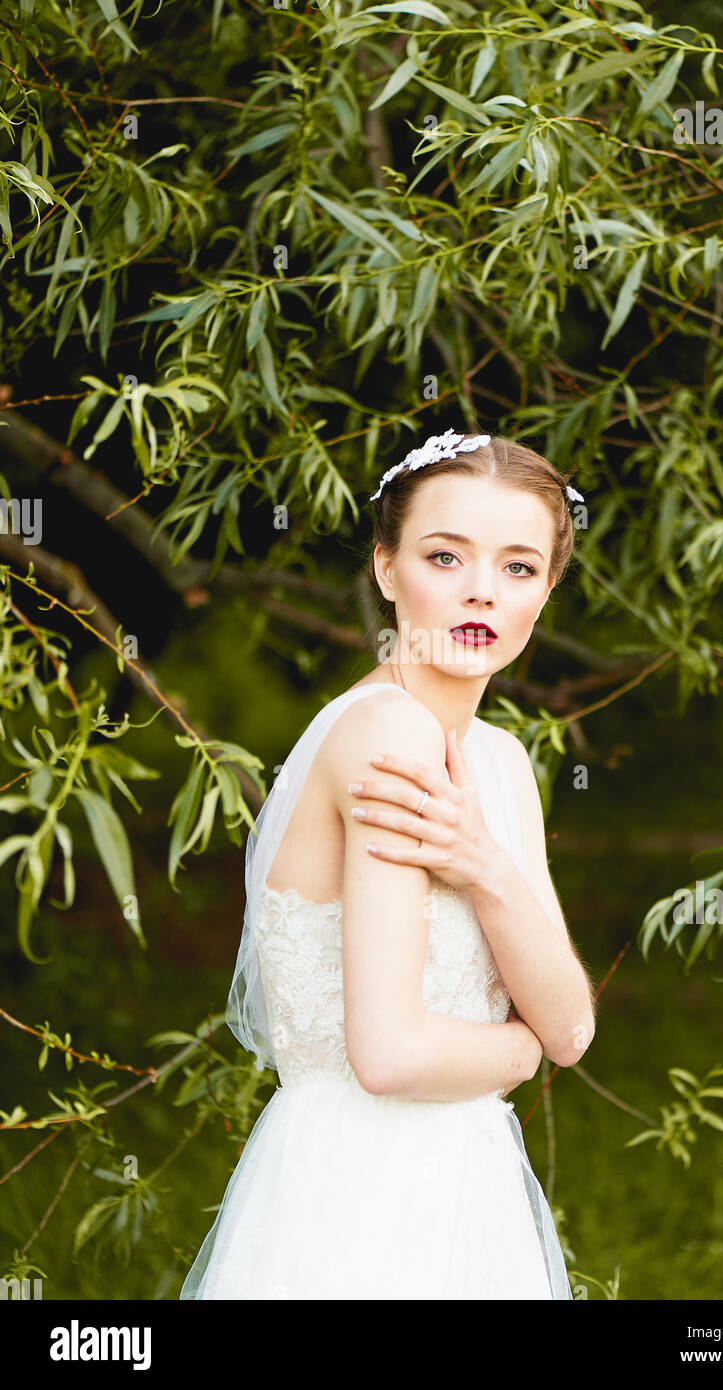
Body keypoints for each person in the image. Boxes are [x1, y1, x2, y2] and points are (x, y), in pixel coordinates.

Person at [179, 429, 596, 1300]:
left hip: (464, 1184)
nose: (482, 590)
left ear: (546, 590)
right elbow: (392, 1056)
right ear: (385, 568)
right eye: (446, 556)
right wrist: (519, 1054)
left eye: (519, 568)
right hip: (365, 1188)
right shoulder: (387, 732)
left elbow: (573, 1027)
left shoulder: (500, 762)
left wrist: (483, 865)